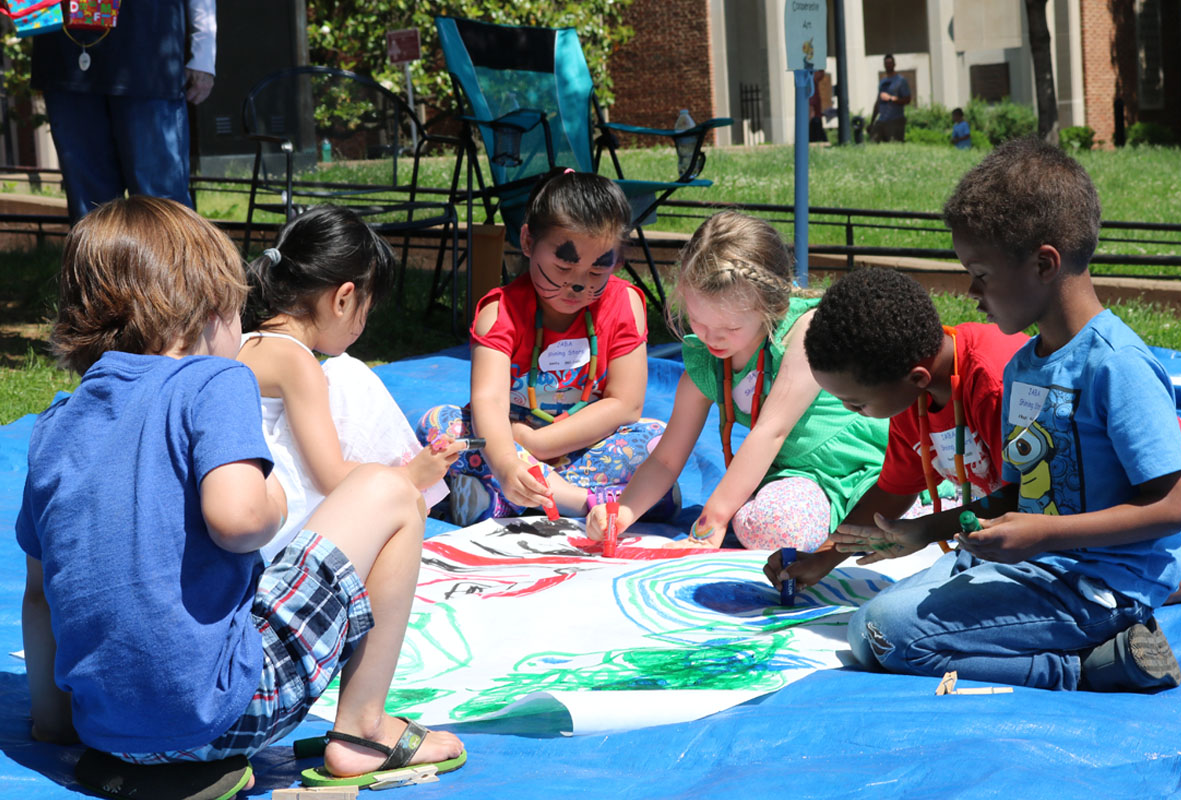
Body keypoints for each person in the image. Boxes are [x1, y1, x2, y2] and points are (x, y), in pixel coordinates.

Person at [18, 196, 465, 796]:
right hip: (224, 712)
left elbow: (41, 598)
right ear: (203, 312)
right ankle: (364, 730)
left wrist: (53, 726)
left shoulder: (53, 425)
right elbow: (238, 519)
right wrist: (276, 495)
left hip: (105, 732)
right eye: (236, 313)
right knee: (387, 491)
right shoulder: (213, 379)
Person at [817, 137, 1181, 692]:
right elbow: (1019, 494)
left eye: (982, 273)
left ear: (1044, 264)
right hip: (1035, 564)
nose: (971, 292)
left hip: (1100, 583)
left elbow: (1169, 507)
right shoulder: (1025, 367)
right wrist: (924, 531)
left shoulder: (1117, 367)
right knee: (872, 620)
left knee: (886, 634)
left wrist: (1043, 534)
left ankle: (1089, 668)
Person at [586, 211, 888, 551]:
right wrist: (623, 512)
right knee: (760, 525)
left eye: (730, 328)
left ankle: (894, 512)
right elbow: (666, 459)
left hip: (854, 467)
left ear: (772, 306)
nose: (711, 338)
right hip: (796, 478)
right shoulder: (706, 361)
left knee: (767, 526)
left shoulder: (805, 334)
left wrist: (712, 519)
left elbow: (771, 431)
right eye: (697, 320)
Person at [418, 169, 670, 526]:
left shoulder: (625, 303)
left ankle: (504, 499)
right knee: (442, 427)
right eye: (565, 264)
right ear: (527, 241)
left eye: (598, 272)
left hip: (580, 442)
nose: (578, 285)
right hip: (506, 443)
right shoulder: (499, 311)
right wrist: (506, 465)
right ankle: (591, 501)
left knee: (658, 440)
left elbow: (626, 404)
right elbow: (488, 401)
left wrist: (541, 444)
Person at [763, 266, 1028, 587]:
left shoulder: (996, 385)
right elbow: (892, 491)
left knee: (883, 621)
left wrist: (927, 529)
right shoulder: (911, 390)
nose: (851, 412)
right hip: (998, 544)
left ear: (917, 377)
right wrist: (825, 555)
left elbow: (1025, 498)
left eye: (857, 404)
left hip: (1048, 552)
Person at [238, 205, 459, 561]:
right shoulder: (297, 362)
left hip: (245, 516)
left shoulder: (244, 340)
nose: (363, 324)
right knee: (349, 375)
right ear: (342, 299)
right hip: (271, 538)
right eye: (366, 309)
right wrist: (408, 475)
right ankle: (416, 506)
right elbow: (331, 476)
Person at [32, 0, 216, 221]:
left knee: (161, 205)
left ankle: (172, 257)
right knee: (90, 210)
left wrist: (203, 52)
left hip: (146, 60)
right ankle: (97, 258)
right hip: (64, 59)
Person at [868, 54, 911, 143]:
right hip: (881, 119)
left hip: (895, 119)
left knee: (895, 145)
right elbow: (878, 102)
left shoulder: (900, 81)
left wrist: (891, 98)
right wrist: (872, 122)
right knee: (872, 142)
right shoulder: (882, 82)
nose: (888, 65)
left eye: (890, 63)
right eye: (886, 63)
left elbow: (908, 99)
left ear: (894, 64)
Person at [808, 69, 829, 144]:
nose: (822, 74)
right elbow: (811, 107)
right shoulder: (810, 86)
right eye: (819, 72)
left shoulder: (814, 85)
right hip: (813, 123)